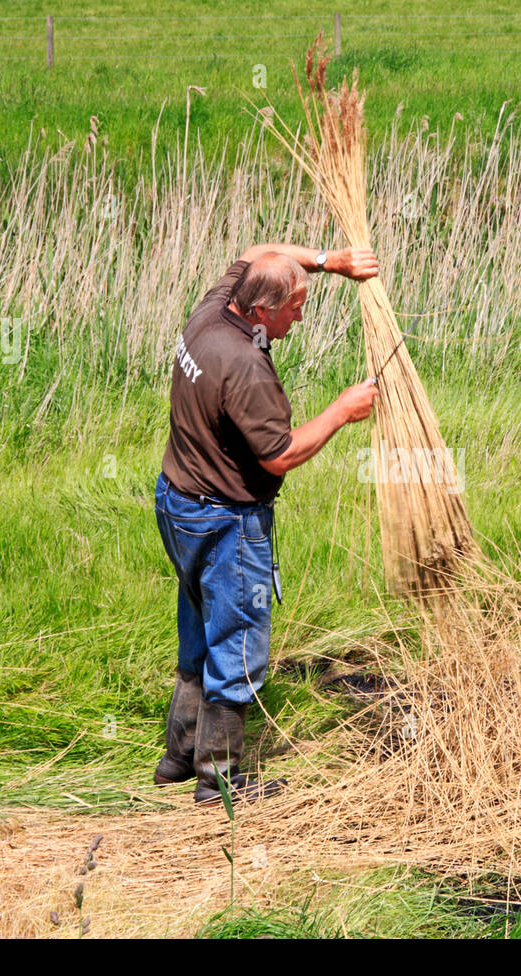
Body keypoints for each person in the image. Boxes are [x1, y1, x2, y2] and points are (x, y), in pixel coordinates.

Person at [153, 243, 380, 805]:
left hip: (178, 504)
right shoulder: (246, 367)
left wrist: (331, 262)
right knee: (237, 648)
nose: (301, 317)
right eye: (296, 307)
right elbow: (278, 455)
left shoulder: (213, 310)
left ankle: (178, 757)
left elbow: (259, 250)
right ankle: (220, 781)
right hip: (226, 522)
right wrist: (342, 410)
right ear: (262, 310)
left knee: (199, 634)